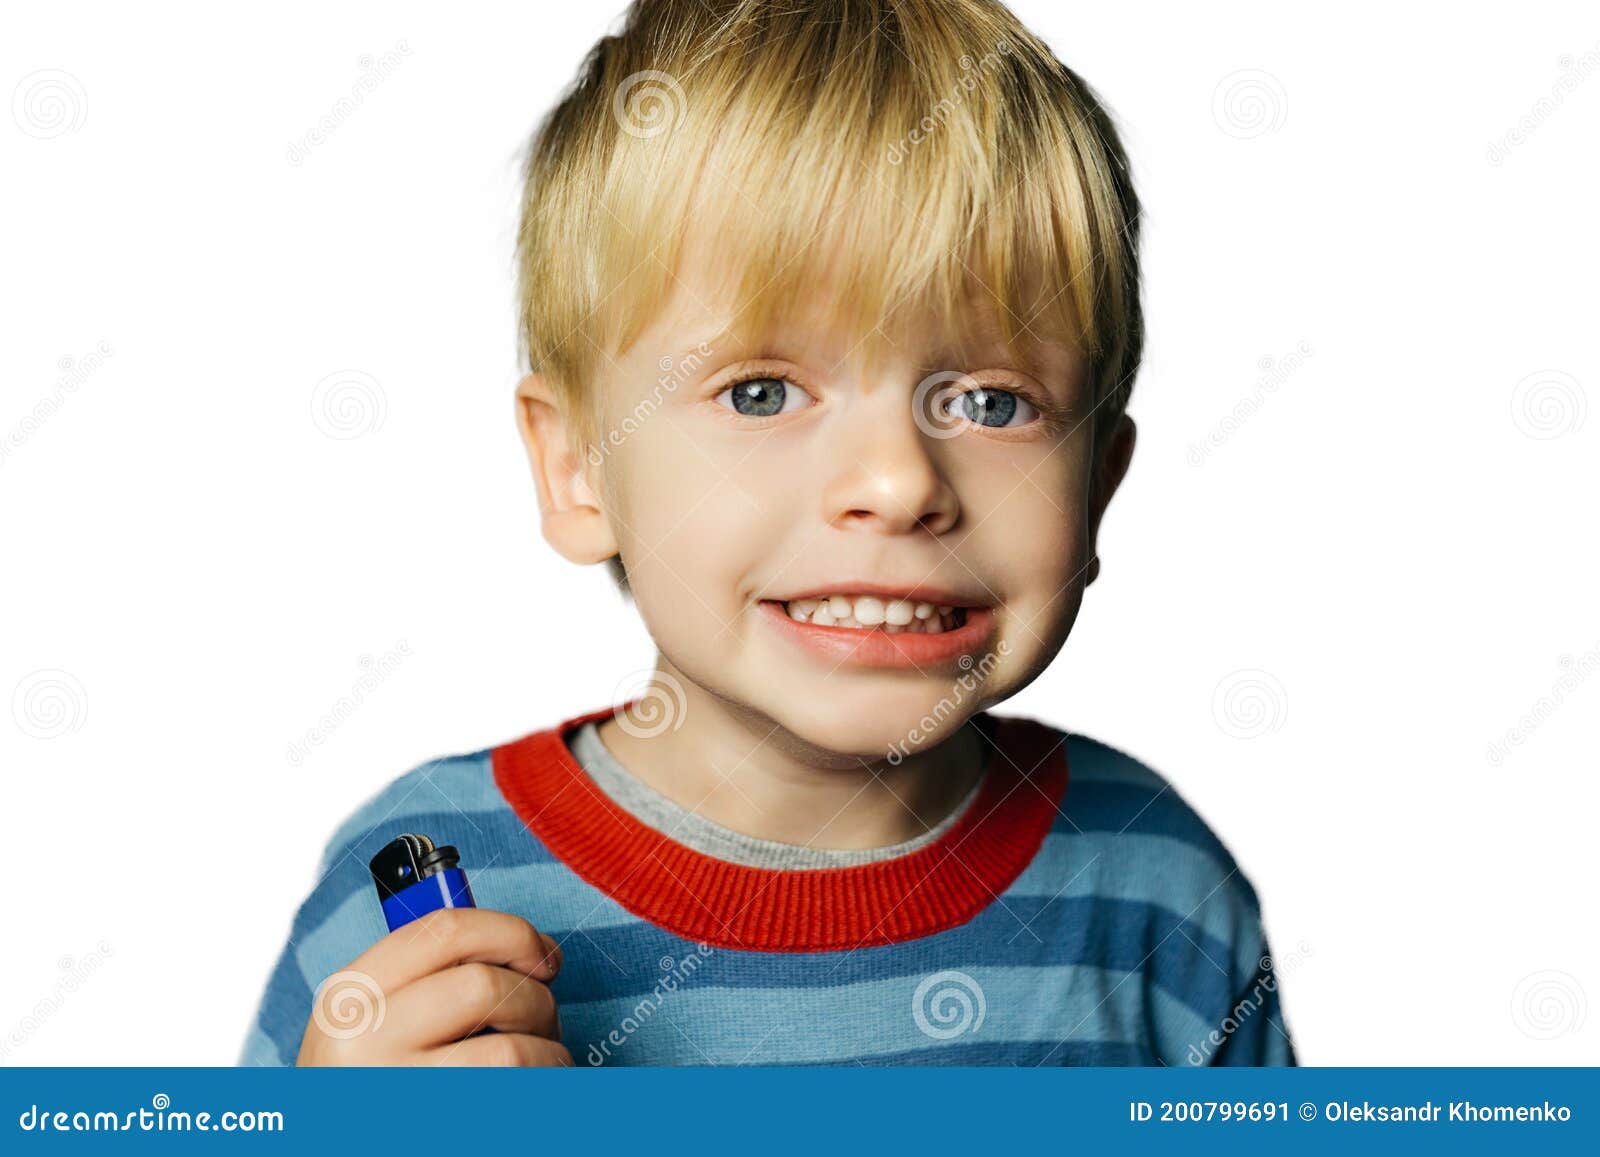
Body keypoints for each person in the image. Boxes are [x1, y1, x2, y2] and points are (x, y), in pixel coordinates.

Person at [241, 0, 1295, 1067]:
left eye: (990, 402)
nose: (896, 483)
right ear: (575, 468)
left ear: (1098, 488)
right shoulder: (411, 910)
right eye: (758, 393)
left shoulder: (1160, 891)